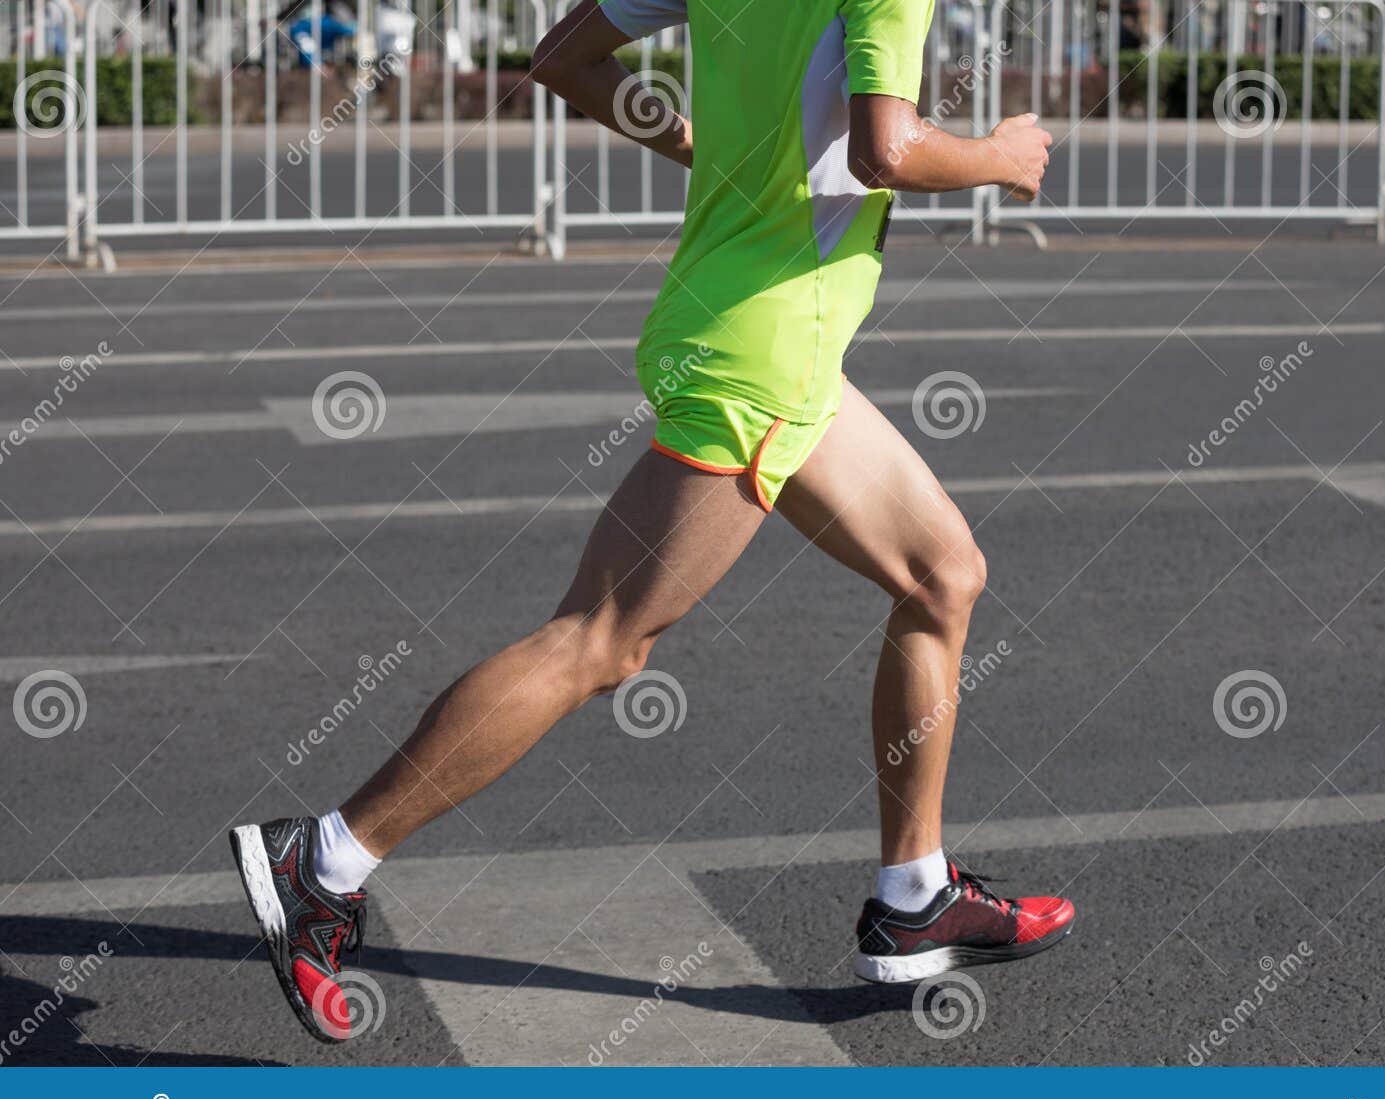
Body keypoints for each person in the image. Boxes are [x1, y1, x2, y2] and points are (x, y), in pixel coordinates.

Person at [229, 0, 1071, 1044]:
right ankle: (324, 861)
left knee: (943, 574)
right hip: (762, 362)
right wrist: (998, 155)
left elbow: (564, 59)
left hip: (737, 328)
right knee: (600, 640)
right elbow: (886, 148)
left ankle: (914, 895)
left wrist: (699, 148)